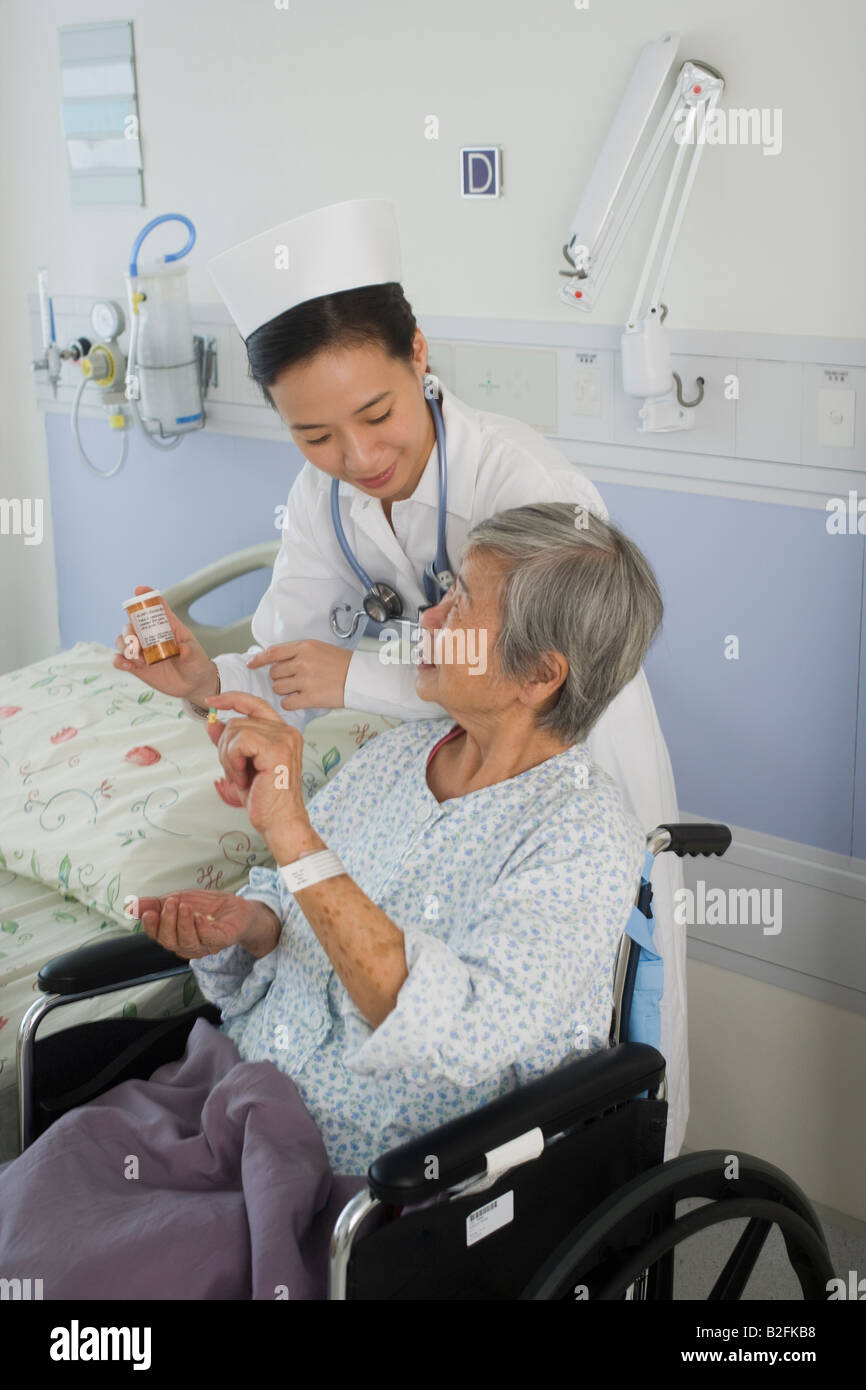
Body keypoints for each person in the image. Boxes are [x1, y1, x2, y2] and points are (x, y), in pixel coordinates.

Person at [111, 198, 687, 1157]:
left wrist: (358, 679)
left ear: (419, 355)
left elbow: (523, 667)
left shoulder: (530, 490)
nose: (359, 459)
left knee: (577, 1029)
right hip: (453, 742)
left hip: (569, 747)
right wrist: (209, 682)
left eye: (376, 415)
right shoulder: (325, 508)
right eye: (317, 437)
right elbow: (285, 655)